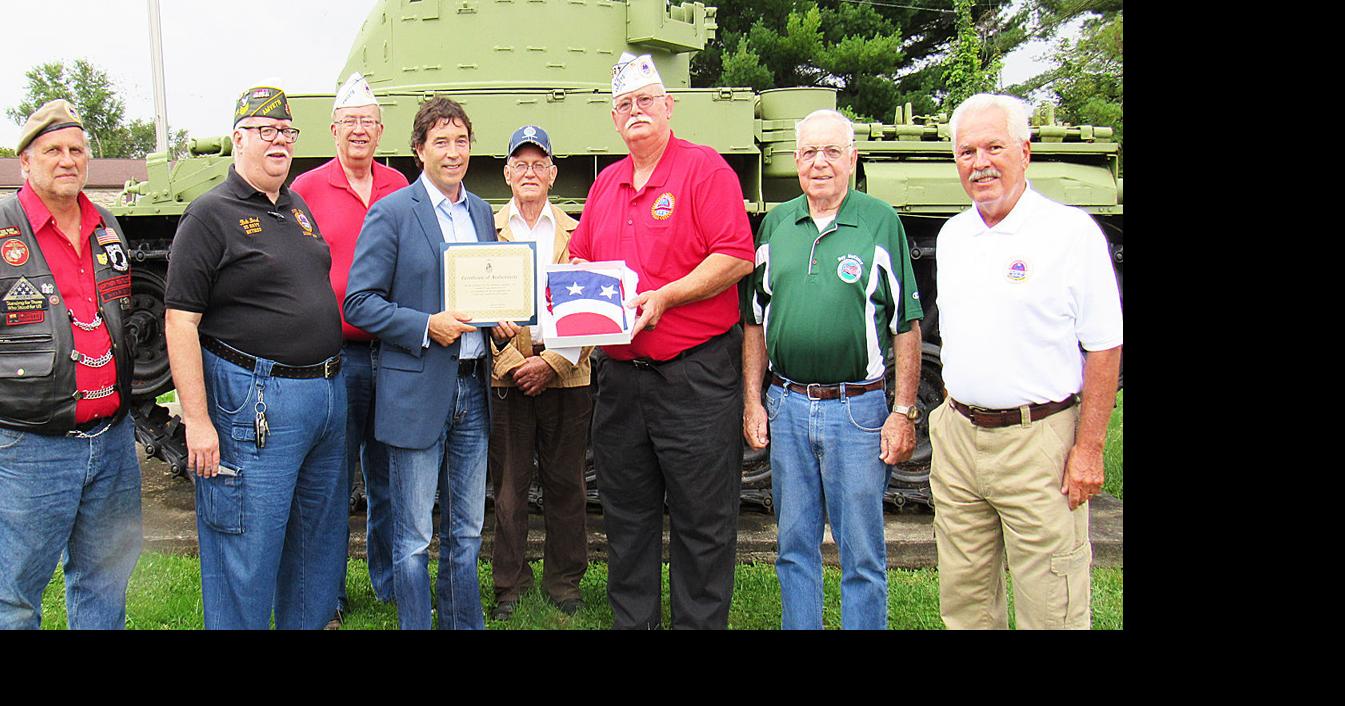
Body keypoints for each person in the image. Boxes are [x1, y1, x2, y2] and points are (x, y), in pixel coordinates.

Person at [568, 54, 755, 629]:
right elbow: (580, 258)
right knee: (627, 520)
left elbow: (735, 256)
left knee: (703, 521)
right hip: (622, 383)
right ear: (614, 118)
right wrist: (573, 286)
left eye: (645, 100)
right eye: (624, 104)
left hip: (694, 378)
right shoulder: (606, 184)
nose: (635, 111)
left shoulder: (705, 170)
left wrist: (667, 297)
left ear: (669, 106)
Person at [930, 93, 1122, 630]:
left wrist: (1089, 449)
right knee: (965, 601)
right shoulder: (953, 236)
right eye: (967, 152)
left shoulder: (1069, 234)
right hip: (959, 439)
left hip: (1038, 443)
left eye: (994, 148)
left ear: (1025, 152)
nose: (980, 163)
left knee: (1051, 605)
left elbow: (1105, 345)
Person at [165, 85, 347, 630]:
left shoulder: (295, 207)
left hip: (324, 397)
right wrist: (197, 421)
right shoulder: (209, 215)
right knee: (245, 547)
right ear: (238, 138)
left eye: (287, 132)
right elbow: (180, 321)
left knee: (316, 546)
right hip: (257, 403)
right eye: (266, 131)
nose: (279, 141)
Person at [742, 109, 923, 630]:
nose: (819, 162)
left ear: (852, 158)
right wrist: (753, 400)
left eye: (831, 151)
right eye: (808, 152)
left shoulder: (879, 221)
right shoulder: (776, 224)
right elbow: (754, 321)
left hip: (857, 410)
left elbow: (906, 324)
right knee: (794, 545)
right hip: (788, 405)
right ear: (795, 160)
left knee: (861, 552)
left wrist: (902, 411)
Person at [344, 96, 495, 630]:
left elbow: (486, 288)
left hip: (472, 387)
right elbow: (358, 302)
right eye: (441, 142)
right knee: (412, 537)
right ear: (418, 150)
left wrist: (499, 316)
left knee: (467, 530)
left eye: (462, 141)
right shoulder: (391, 213)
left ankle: (462, 623)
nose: (453, 153)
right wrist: (426, 325)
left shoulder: (481, 212)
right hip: (417, 388)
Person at [0, 99, 142, 629]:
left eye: (77, 150)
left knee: (105, 580)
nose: (68, 160)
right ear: (25, 161)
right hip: (30, 446)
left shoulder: (106, 225)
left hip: (112, 441)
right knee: (15, 594)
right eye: (53, 150)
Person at [291, 73, 408, 627]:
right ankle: (328, 593)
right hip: (336, 357)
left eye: (368, 122)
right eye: (350, 122)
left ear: (381, 131)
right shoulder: (307, 188)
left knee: (388, 478)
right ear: (333, 129)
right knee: (331, 482)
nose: (359, 130)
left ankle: (389, 584)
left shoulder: (399, 184)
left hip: (393, 353)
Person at [487, 125, 592, 621]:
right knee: (508, 488)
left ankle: (564, 583)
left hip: (567, 374)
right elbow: (471, 302)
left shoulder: (578, 230)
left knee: (567, 485)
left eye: (538, 164)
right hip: (507, 376)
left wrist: (553, 363)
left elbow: (597, 305)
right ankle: (509, 585)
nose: (529, 172)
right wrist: (513, 364)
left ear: (553, 173)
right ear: (507, 173)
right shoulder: (486, 230)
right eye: (520, 164)